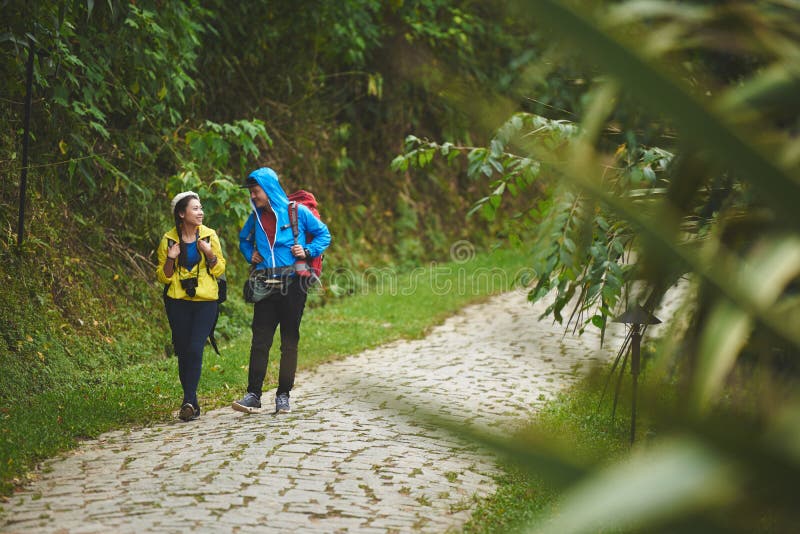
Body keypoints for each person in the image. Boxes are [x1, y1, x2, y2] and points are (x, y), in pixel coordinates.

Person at [232, 167, 331, 414]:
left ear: (268, 189)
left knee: (289, 341)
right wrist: (249, 254)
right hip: (266, 284)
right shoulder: (255, 217)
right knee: (260, 340)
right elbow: (244, 239)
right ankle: (253, 395)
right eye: (252, 193)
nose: (253, 196)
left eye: (256, 191)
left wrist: (307, 251)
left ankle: (283, 395)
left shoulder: (297, 211)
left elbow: (323, 234)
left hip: (293, 285)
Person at [156, 191, 226, 421]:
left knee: (196, 348)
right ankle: (191, 403)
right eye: (195, 208)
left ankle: (187, 400)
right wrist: (170, 258)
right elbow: (163, 277)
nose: (200, 212)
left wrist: (210, 254)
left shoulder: (209, 236)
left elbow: (219, 270)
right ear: (181, 213)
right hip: (177, 303)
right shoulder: (168, 240)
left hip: (206, 301)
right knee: (184, 351)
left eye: (201, 208)